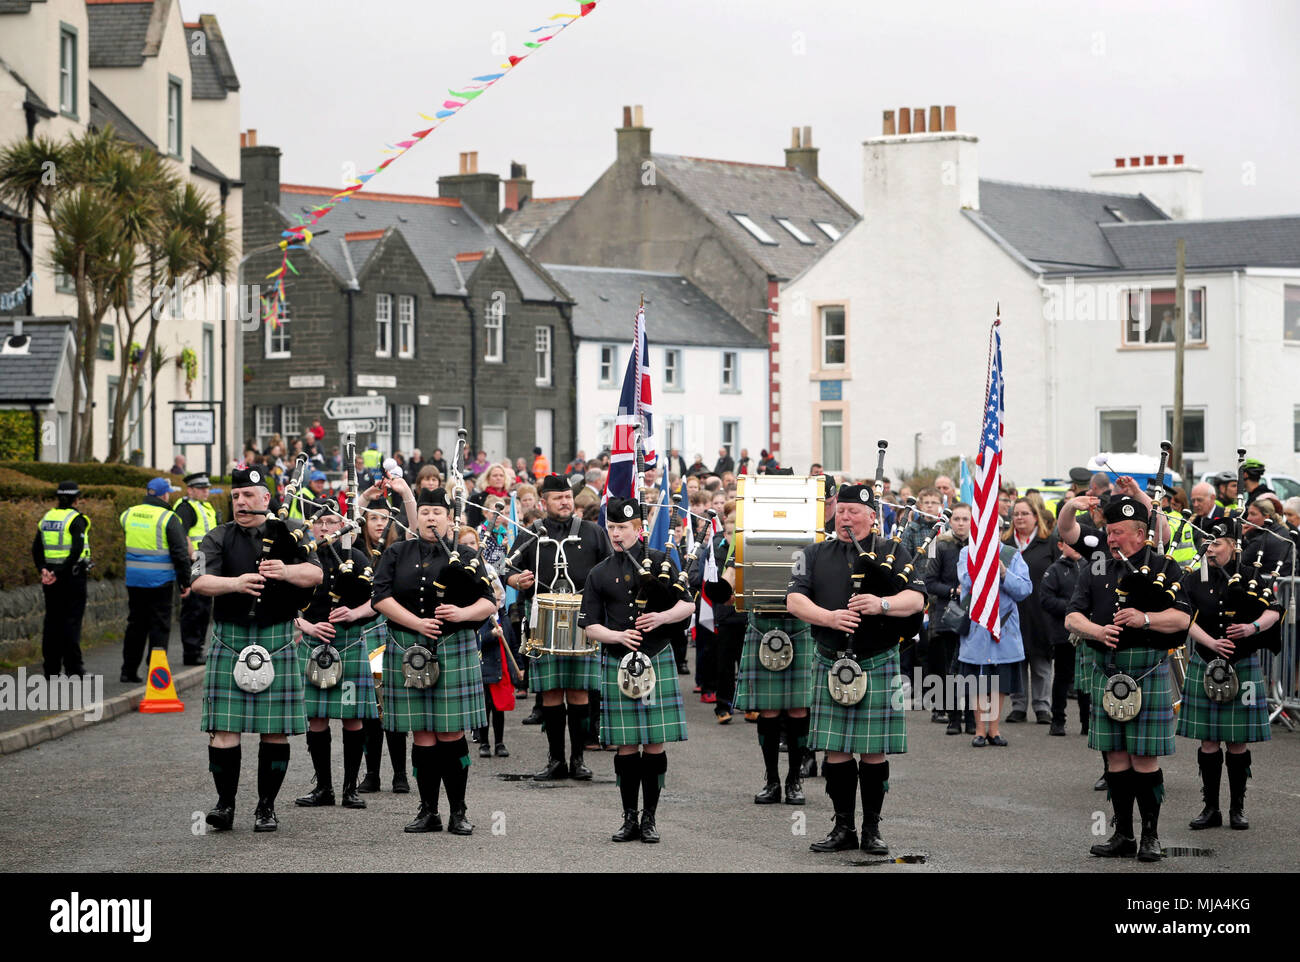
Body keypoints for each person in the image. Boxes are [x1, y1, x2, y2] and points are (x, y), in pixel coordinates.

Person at [786, 482, 926, 855]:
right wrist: (829, 617)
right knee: (836, 751)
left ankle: (872, 829)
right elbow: (794, 600)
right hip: (832, 659)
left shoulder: (894, 551)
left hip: (877, 657)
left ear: (871, 516)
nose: (846, 518)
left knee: (874, 751)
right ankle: (843, 826)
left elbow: (915, 599)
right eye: (841, 510)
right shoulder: (812, 554)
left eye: (854, 512)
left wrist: (881, 604)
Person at [193, 466, 324, 832]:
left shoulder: (291, 531)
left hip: (275, 635)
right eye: (235, 496)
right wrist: (234, 583)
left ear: (266, 499)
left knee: (274, 731)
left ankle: (266, 808)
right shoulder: (216, 537)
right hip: (230, 637)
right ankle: (225, 805)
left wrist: (285, 571)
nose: (241, 502)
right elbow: (198, 580)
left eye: (249, 496)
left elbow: (315, 575)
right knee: (223, 729)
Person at [1064, 495, 1191, 861]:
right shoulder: (1097, 565)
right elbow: (1072, 617)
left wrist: (1145, 619)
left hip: (1147, 666)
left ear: (1140, 533)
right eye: (1109, 532)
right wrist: (1096, 631)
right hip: (1107, 668)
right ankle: (1123, 835)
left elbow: (1183, 619)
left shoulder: (1164, 566)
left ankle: (1151, 836)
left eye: (1118, 533)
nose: (1111, 539)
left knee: (1144, 757)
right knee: (1116, 758)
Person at [372, 487, 496, 835]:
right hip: (408, 647)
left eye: (437, 512)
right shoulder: (397, 552)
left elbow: (489, 602)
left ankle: (458, 811)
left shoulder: (467, 553)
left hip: (452, 646)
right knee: (423, 734)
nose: (430, 517)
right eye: (424, 511)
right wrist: (417, 623)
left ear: (449, 518)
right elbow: (380, 597)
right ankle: (428, 810)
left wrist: (460, 613)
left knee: (451, 733)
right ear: (416, 517)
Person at [579, 496, 694, 843]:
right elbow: (588, 625)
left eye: (623, 528)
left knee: (655, 744)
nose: (616, 534)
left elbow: (687, 604)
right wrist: (616, 635)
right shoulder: (599, 573)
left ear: (638, 529)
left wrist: (661, 616)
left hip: (656, 656)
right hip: (618, 661)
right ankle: (629, 817)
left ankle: (650, 819)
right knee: (627, 746)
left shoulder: (661, 562)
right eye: (611, 527)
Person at [506, 474, 612, 780]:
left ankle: (577, 760)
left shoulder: (593, 532)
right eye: (557, 498)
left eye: (567, 496)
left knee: (579, 692)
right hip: (544, 619)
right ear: (544, 503)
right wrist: (517, 580)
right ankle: (555, 760)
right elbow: (509, 570)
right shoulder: (531, 533)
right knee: (551, 692)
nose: (564, 502)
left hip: (583, 618)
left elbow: (608, 567)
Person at [1177, 525, 1280, 832]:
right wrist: (1210, 642)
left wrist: (1253, 628)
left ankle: (1237, 808)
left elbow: (1274, 610)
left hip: (1242, 664)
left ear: (1234, 545)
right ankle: (1210, 808)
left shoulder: (1250, 575)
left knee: (1237, 742)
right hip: (1206, 662)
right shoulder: (1194, 579)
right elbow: (1184, 617)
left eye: (1216, 543)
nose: (1208, 548)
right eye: (1205, 542)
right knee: (1208, 741)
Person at [293, 498, 382, 810]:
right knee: (316, 718)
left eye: (332, 522)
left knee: (352, 718)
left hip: (348, 642)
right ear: (312, 527)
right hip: (313, 642)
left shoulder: (357, 558)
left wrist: (354, 613)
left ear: (343, 527)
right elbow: (279, 603)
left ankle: (349, 789)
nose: (326, 527)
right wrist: (305, 626)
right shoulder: (302, 559)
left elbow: (378, 601)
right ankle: (324, 788)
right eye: (320, 522)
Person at [723, 509, 813, 803]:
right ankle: (773, 780)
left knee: (799, 708)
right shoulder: (746, 538)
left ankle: (795, 780)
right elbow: (730, 575)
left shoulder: (810, 538)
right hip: (762, 623)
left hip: (799, 625)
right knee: (768, 709)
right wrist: (722, 588)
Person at [354, 497, 409, 795]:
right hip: (365, 633)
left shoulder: (400, 551)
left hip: (390, 630)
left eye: (385, 518)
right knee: (369, 710)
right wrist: (361, 499)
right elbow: (347, 522)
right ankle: (372, 774)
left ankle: (400, 774)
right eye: (373, 517)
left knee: (391, 705)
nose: (379, 523)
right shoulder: (356, 550)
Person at [956, 538, 1031, 747]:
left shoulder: (1012, 554)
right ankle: (979, 731)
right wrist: (984, 564)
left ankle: (994, 730)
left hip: (1004, 626)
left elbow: (1024, 589)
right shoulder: (966, 552)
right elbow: (967, 583)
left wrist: (1005, 572)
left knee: (1000, 681)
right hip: (977, 625)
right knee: (979, 679)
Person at [118, 478, 193, 683]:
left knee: (135, 625)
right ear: (163, 495)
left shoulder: (128, 514)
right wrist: (185, 582)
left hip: (134, 580)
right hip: (160, 582)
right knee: (159, 626)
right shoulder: (168, 517)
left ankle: (128, 670)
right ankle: (156, 673)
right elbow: (179, 553)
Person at [1003, 497, 1057, 725]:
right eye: (1016, 514)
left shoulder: (1049, 543)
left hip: (1041, 611)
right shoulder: (1005, 545)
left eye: (1025, 513)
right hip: (1012, 611)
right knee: (1016, 660)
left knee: (1041, 663)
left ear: (1036, 517)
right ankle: (1018, 706)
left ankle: (1042, 707)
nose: (1020, 518)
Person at [32, 480, 91, 678]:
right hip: (71, 578)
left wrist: (44, 570)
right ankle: (74, 669)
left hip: (50, 579)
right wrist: (59, 572)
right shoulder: (76, 519)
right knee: (71, 623)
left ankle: (51, 669)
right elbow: (75, 551)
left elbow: (36, 549)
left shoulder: (47, 518)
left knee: (52, 623)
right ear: (76, 499)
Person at [924, 501, 973, 735]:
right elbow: (930, 582)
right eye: (957, 519)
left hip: (974, 615)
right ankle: (954, 717)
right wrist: (954, 591)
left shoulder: (978, 546)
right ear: (950, 521)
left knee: (973, 668)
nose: (961, 523)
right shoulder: (940, 545)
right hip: (948, 615)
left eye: (965, 519)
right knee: (951, 669)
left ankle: (973, 719)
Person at [1039, 538, 1086, 736]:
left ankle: (1088, 722)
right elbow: (1046, 599)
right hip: (1063, 632)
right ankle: (1057, 719)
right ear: (1061, 546)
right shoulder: (1054, 570)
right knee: (1062, 677)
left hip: (1087, 632)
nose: (1074, 548)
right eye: (1069, 544)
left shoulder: (1089, 566)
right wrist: (1072, 609)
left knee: (1085, 679)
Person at [172, 472, 219, 665]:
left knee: (204, 607)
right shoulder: (185, 508)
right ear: (190, 490)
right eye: (201, 488)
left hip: (208, 561)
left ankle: (198, 649)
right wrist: (194, 557)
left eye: (206, 488)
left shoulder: (204, 506)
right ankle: (191, 652)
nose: (205, 491)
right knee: (194, 608)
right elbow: (183, 536)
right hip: (197, 561)